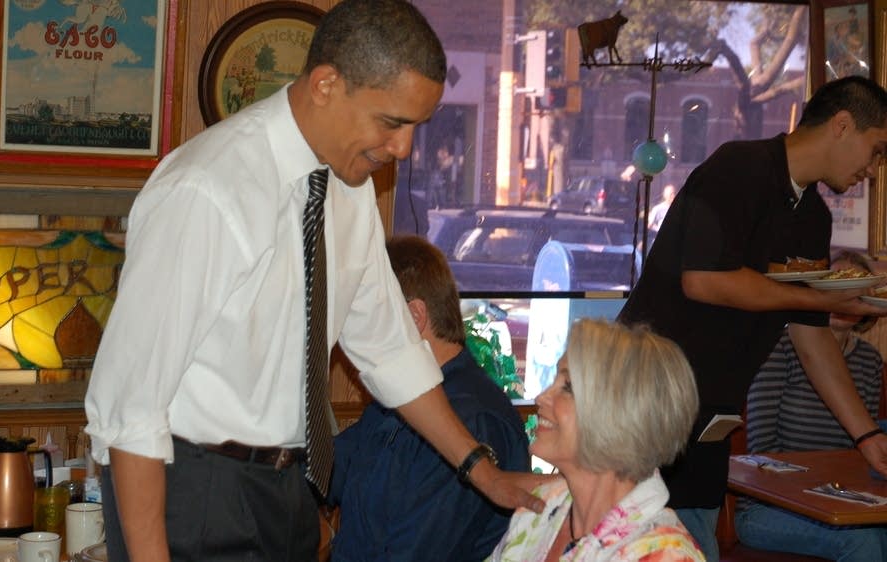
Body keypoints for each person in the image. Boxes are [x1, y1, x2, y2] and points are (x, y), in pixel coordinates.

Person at [83, 1, 546, 561]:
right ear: (326, 84)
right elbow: (130, 410)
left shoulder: (345, 190)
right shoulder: (207, 189)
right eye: (392, 123)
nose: (403, 149)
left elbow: (391, 351)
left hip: (287, 489)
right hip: (193, 491)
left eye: (414, 129)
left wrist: (482, 472)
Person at [617, 75, 887, 562]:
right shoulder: (738, 166)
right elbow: (704, 279)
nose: (874, 168)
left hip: (706, 424)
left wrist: (867, 436)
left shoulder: (813, 219)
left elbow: (812, 338)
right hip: (640, 404)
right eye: (877, 150)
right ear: (843, 125)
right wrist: (824, 300)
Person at [328, 235, 531, 561]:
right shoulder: (395, 399)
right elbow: (332, 469)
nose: (355, 337)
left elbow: (417, 552)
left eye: (366, 320)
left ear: (413, 316)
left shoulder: (472, 420)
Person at [488, 318, 704, 561]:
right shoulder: (542, 504)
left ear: (618, 415)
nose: (541, 397)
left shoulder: (664, 555)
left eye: (567, 387)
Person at [735, 251, 887, 561]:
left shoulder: (870, 361)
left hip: (841, 500)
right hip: (767, 508)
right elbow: (762, 453)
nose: (840, 298)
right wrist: (821, 492)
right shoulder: (781, 347)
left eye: (852, 290)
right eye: (833, 288)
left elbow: (862, 453)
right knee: (864, 542)